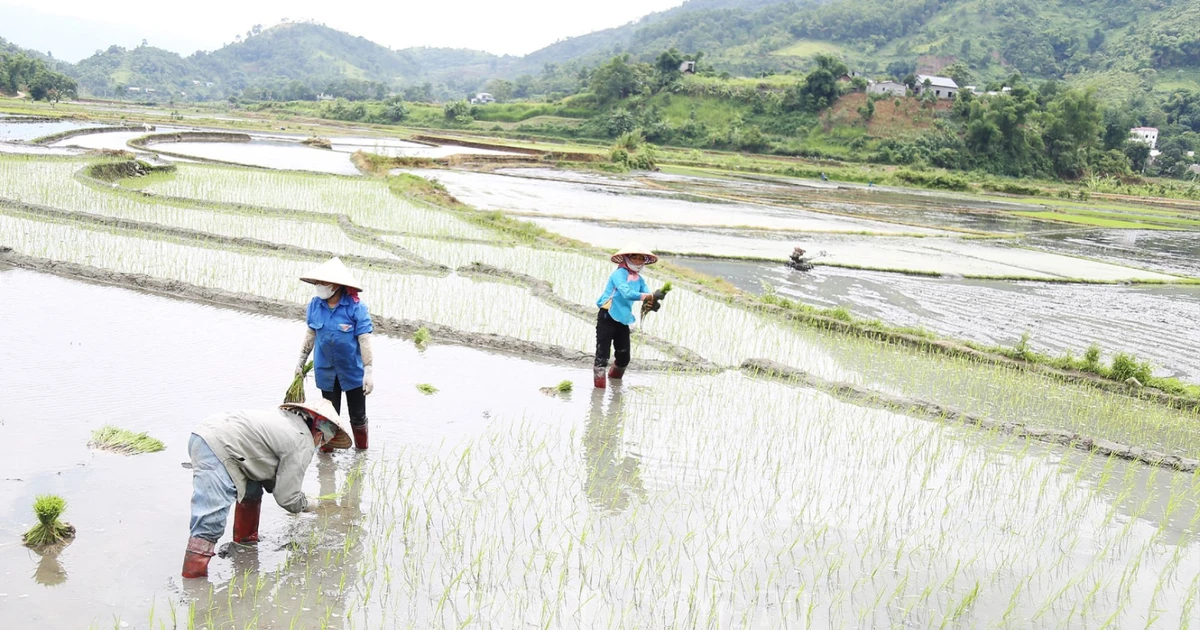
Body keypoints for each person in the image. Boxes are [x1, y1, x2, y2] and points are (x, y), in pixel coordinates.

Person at [181, 398, 352, 579]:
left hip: (205, 432)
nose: (320, 446)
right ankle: (193, 584)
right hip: (217, 445)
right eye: (323, 442)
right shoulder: (303, 441)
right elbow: (287, 498)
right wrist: (310, 504)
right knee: (210, 521)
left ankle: (245, 543)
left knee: (252, 487)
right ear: (319, 435)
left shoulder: (285, 420)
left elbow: (268, 472)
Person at [294, 257, 374, 450]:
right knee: (327, 416)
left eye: (324, 282)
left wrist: (368, 370)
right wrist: (300, 362)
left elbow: (364, 339)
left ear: (337, 285)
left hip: (352, 372)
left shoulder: (356, 308)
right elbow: (311, 334)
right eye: (318, 282)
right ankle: (326, 461)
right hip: (326, 371)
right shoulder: (315, 305)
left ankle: (361, 455)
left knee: (357, 416)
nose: (320, 286)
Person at [593, 243, 666, 389]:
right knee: (602, 356)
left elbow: (647, 295)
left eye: (641, 259)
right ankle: (599, 392)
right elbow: (627, 293)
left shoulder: (639, 279)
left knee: (624, 357)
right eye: (635, 258)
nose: (638, 262)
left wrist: (653, 302)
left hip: (623, 318)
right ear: (627, 259)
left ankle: (615, 384)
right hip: (608, 315)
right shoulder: (618, 274)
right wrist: (650, 296)